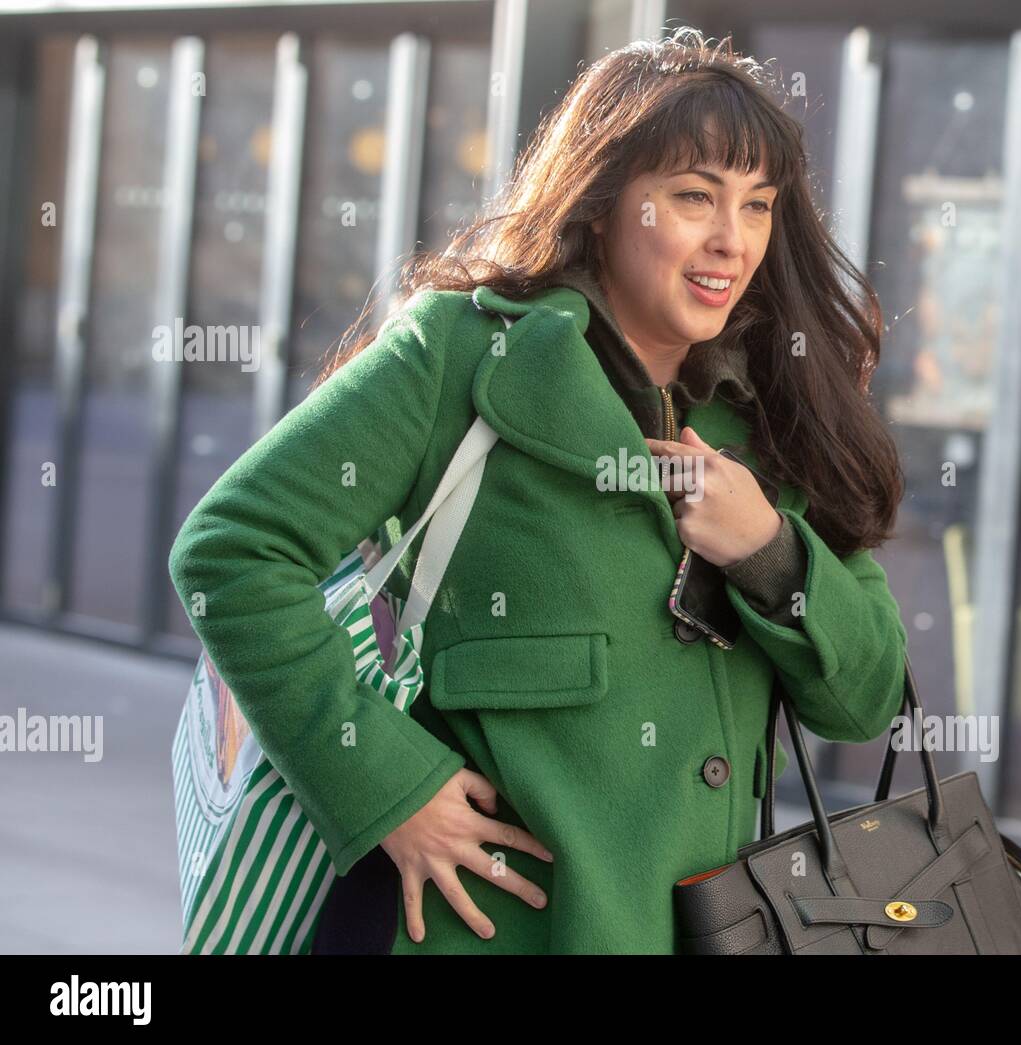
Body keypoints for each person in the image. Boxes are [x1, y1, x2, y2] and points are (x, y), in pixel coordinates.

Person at [168, 27, 908, 955]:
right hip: (476, 931)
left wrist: (769, 551)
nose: (733, 240)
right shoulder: (461, 354)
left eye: (758, 205)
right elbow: (230, 552)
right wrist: (389, 788)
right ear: (603, 203)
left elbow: (865, 700)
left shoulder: (778, 409)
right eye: (692, 197)